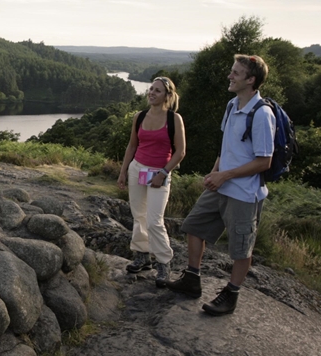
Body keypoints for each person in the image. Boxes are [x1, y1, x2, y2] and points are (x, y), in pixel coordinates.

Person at [165, 54, 275, 316]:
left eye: (236, 73)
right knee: (194, 226)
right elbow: (227, 146)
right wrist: (214, 173)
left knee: (240, 247)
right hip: (220, 185)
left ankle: (231, 295)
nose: (230, 76)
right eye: (232, 71)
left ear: (251, 80)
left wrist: (225, 176)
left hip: (245, 194)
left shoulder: (261, 115)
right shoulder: (231, 105)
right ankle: (192, 279)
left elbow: (264, 162)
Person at [118, 76, 186, 287]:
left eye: (157, 90)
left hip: (160, 173)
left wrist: (163, 173)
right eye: (151, 89)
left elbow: (181, 152)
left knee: (155, 220)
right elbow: (131, 146)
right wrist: (122, 172)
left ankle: (164, 263)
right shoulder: (139, 117)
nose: (152, 93)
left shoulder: (174, 119)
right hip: (137, 169)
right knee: (139, 215)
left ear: (167, 95)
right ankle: (142, 255)